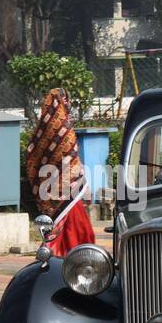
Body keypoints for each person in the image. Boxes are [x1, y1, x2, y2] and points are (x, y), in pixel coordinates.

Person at [24, 88, 96, 256]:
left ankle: (56, 256)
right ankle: (78, 258)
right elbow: (71, 160)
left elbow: (32, 158)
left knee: (58, 227)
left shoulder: (40, 131)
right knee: (75, 230)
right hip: (70, 192)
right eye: (66, 100)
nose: (68, 104)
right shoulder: (64, 126)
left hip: (50, 191)